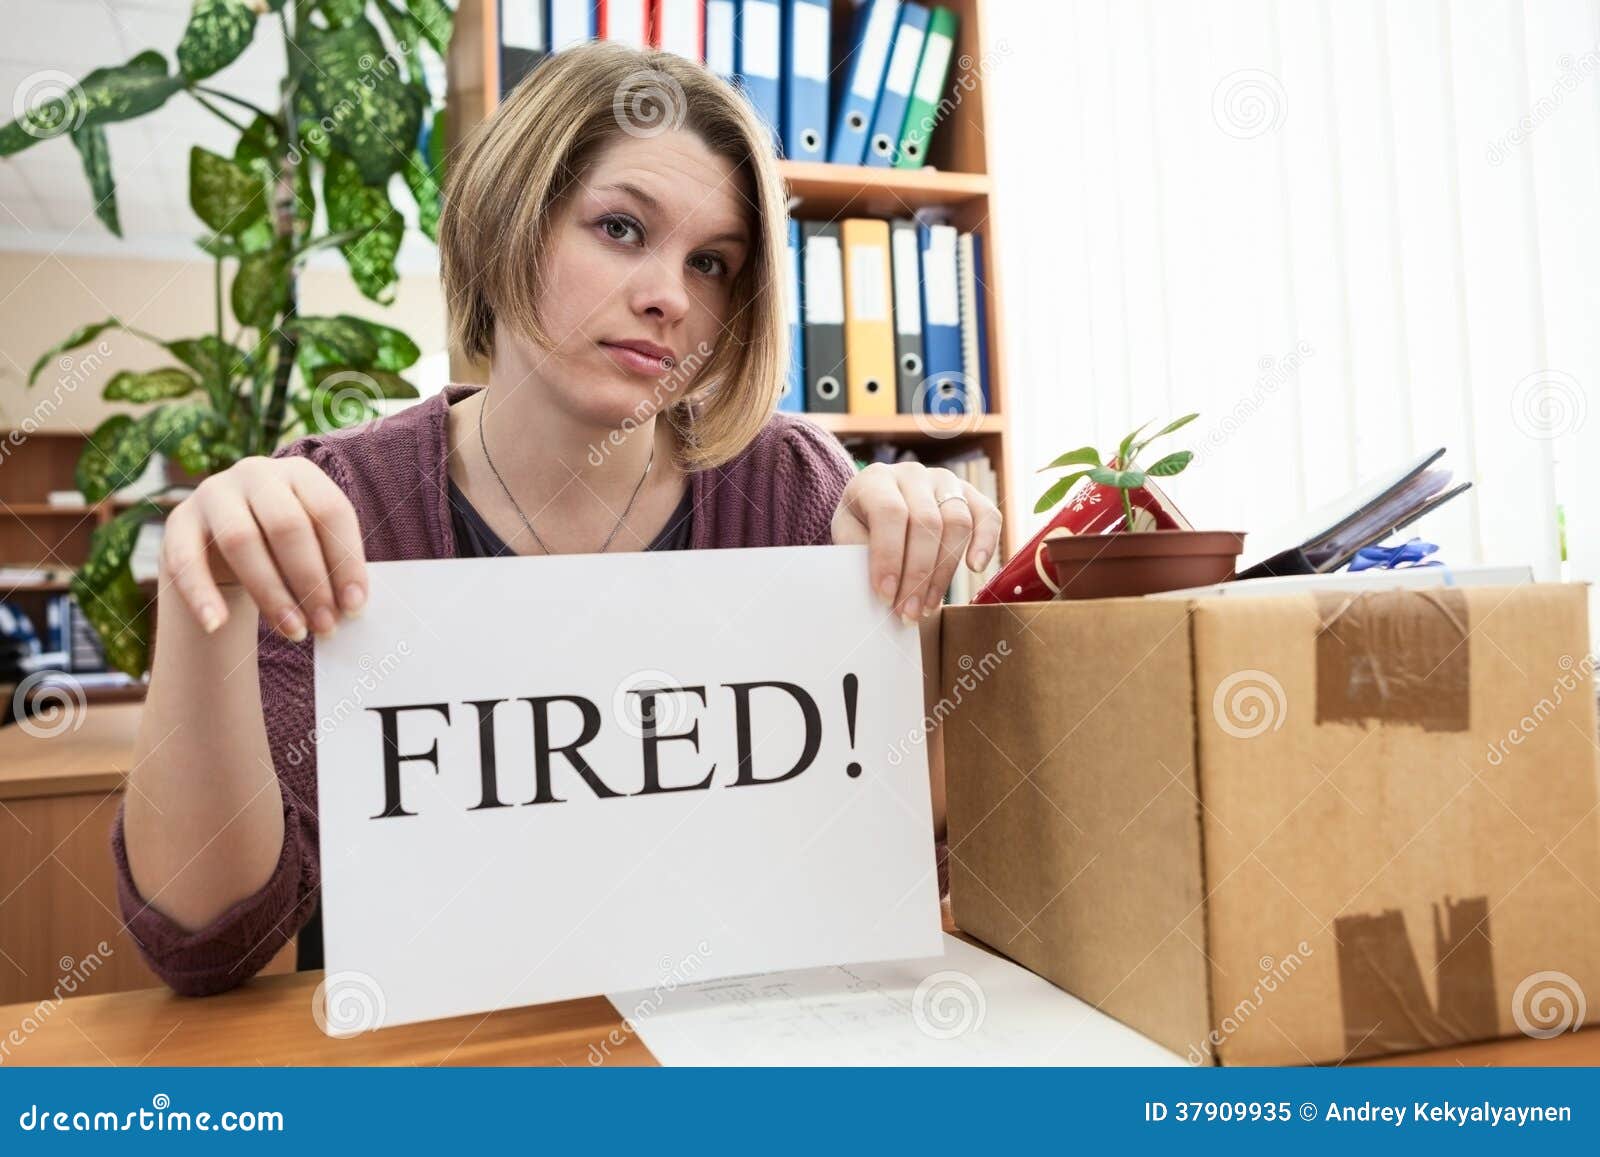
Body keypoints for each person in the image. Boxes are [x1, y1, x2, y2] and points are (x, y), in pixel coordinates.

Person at [112, 42, 1001, 997]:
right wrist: (208, 607)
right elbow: (208, 948)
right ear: (508, 220)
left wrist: (908, 606)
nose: (669, 296)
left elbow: (892, 876)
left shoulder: (787, 488)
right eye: (620, 228)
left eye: (711, 263)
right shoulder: (347, 503)